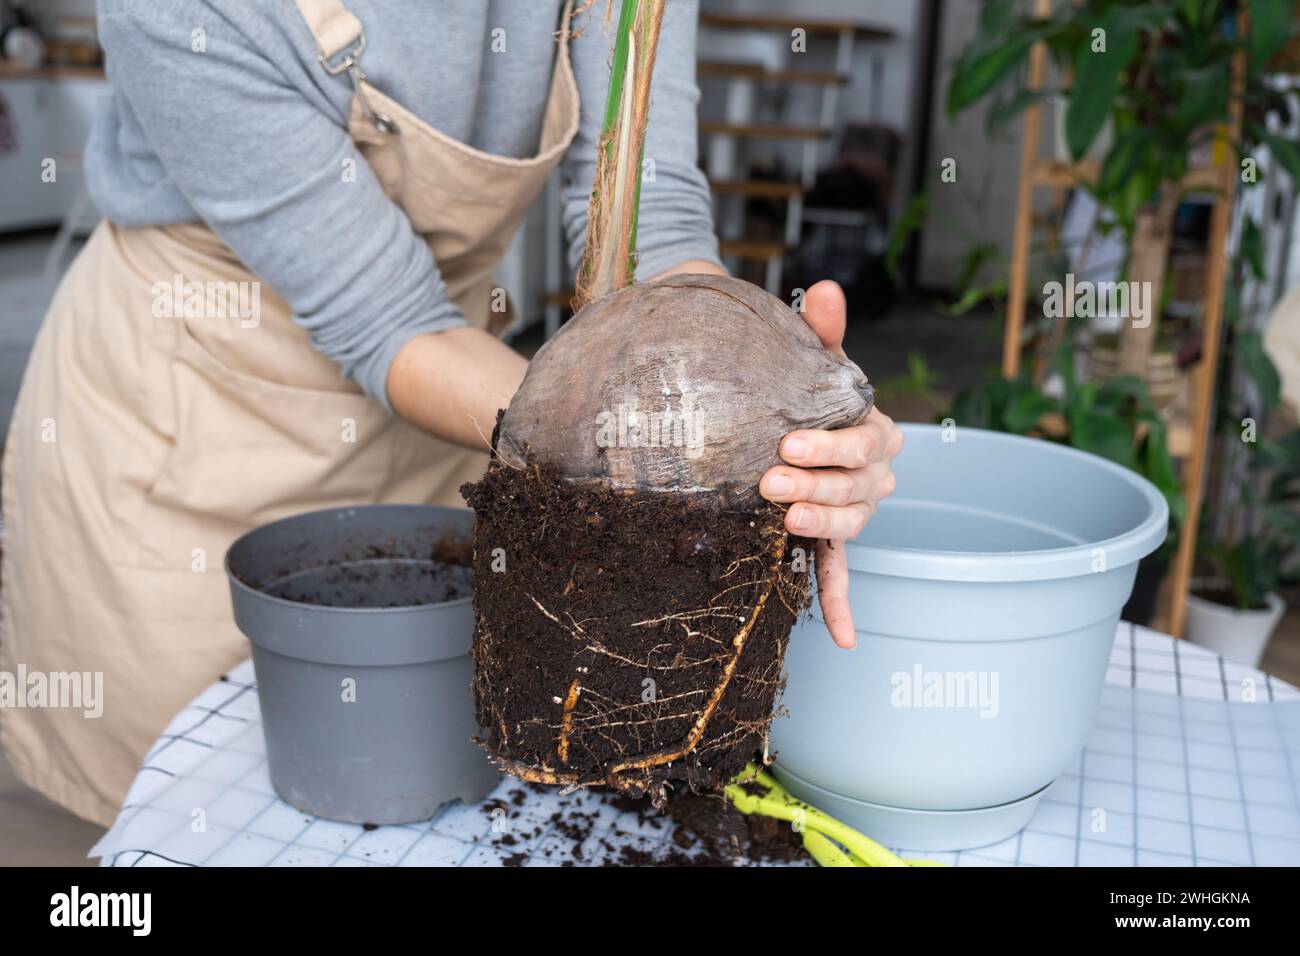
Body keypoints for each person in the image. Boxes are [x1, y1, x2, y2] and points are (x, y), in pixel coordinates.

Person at [0, 0, 902, 827]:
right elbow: (389, 319)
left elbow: (646, 216)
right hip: (198, 411)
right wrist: (649, 451)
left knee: (430, 788)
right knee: (209, 810)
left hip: (468, 412)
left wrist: (762, 402)